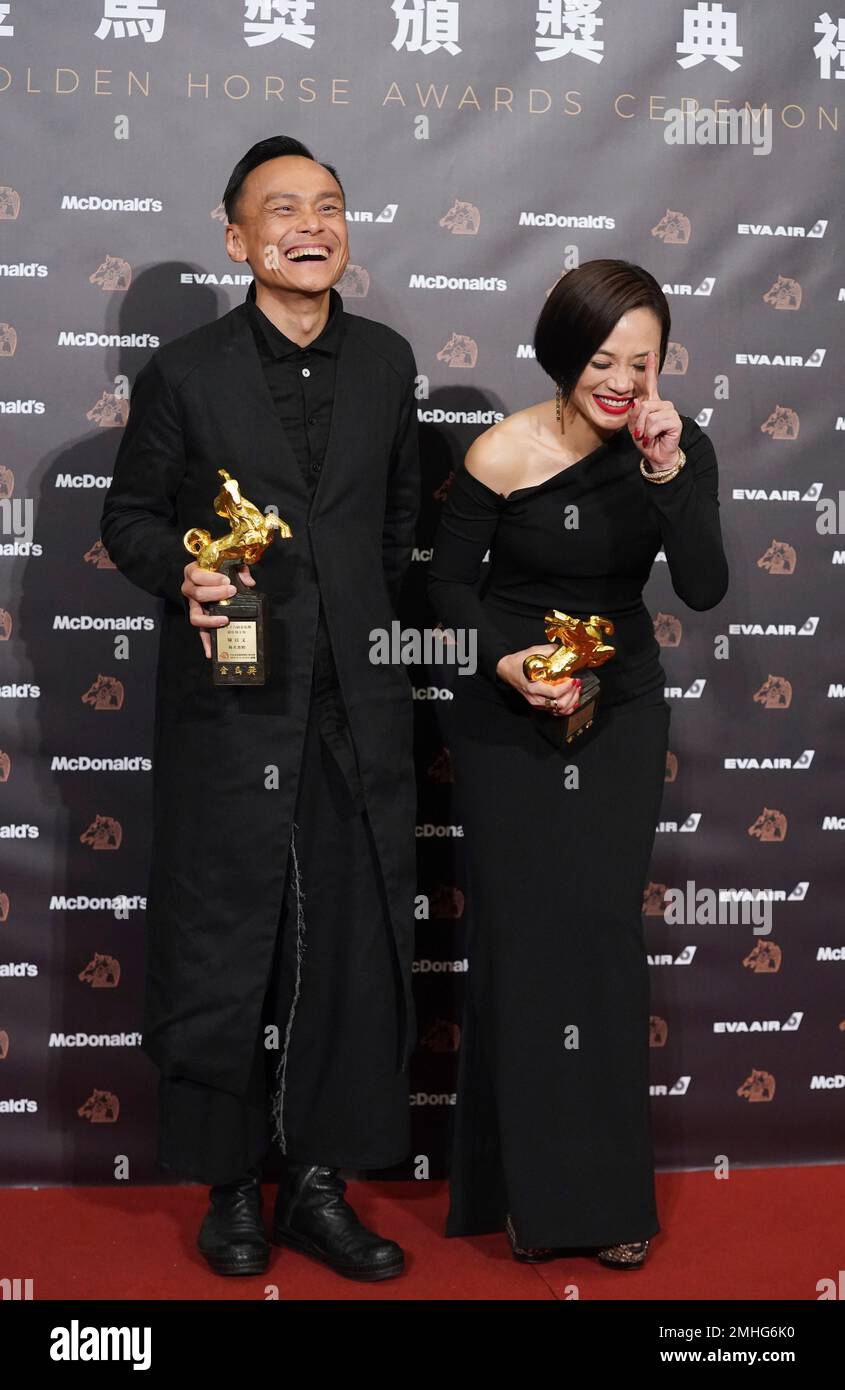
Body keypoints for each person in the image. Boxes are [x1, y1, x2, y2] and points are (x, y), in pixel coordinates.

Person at [100, 135, 420, 1282]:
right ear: (235, 239)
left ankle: (319, 1185)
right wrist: (181, 569)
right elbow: (128, 517)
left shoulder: (386, 361)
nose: (310, 224)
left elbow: (391, 532)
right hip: (231, 699)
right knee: (225, 942)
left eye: (328, 206)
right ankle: (230, 1186)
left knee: (344, 945)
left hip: (354, 708)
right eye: (281, 209)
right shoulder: (185, 373)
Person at [427, 258, 728, 1268]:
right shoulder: (501, 453)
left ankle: (600, 1198)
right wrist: (506, 664)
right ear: (564, 355)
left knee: (597, 933)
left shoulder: (674, 448)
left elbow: (701, 584)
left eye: (640, 363)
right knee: (520, 936)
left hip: (618, 710)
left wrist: (663, 471)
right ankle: (523, 1188)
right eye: (602, 359)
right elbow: (442, 591)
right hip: (506, 715)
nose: (621, 381)